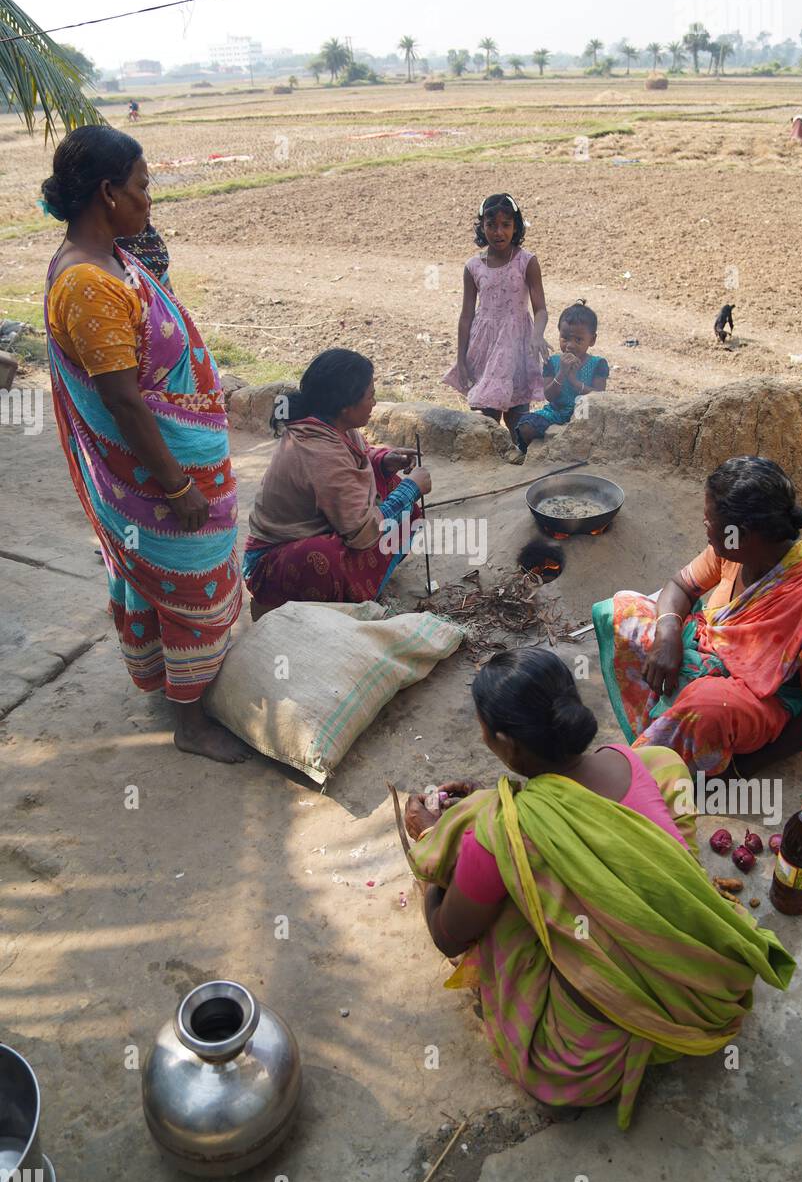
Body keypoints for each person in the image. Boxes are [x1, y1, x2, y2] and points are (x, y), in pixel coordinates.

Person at [404, 648, 794, 1128]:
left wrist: (432, 847)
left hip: (582, 1059)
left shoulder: (504, 830)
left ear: (502, 740)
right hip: (705, 993)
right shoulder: (629, 761)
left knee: (506, 878)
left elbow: (449, 935)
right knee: (659, 767)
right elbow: (572, 804)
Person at [41, 125, 247, 763]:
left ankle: (172, 679)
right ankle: (190, 722)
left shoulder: (110, 262)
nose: (149, 199)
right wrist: (177, 485)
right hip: (156, 475)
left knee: (168, 574)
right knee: (189, 576)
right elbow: (124, 401)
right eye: (141, 186)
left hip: (172, 458)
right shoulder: (88, 284)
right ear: (107, 193)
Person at [593, 457, 802, 777]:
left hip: (761, 698)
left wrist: (740, 771)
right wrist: (667, 637)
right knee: (616, 611)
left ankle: (687, 755)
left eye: (710, 521)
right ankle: (663, 725)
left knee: (708, 707)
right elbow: (680, 585)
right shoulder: (733, 550)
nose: (704, 526)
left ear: (741, 534)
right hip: (707, 651)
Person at [243, 348, 429, 616]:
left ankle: (362, 584)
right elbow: (360, 533)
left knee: (389, 486)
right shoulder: (319, 450)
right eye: (370, 396)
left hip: (314, 526)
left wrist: (384, 460)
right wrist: (412, 488)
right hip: (272, 563)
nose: (374, 403)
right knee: (326, 556)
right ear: (346, 406)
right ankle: (346, 599)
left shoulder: (332, 426)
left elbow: (360, 458)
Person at [442, 193, 548, 442]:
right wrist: (461, 359)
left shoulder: (526, 261)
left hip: (517, 345)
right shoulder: (473, 266)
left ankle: (519, 462)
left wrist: (537, 335)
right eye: (491, 225)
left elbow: (540, 308)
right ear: (482, 227)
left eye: (506, 225)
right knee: (484, 418)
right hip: (485, 346)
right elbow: (466, 315)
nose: (498, 232)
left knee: (518, 418)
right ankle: (488, 471)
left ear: (516, 226)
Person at [512, 302, 608, 460]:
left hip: (584, 413)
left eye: (578, 340)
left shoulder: (598, 364)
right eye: (565, 338)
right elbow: (549, 396)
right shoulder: (552, 362)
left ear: (592, 340)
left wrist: (574, 382)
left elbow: (599, 397)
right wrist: (562, 374)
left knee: (585, 434)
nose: (570, 345)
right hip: (556, 412)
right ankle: (531, 454)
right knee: (526, 426)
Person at [116, 222, 174, 292]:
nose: (148, 211)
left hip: (158, 294)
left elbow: (160, 270)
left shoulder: (148, 232)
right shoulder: (112, 241)